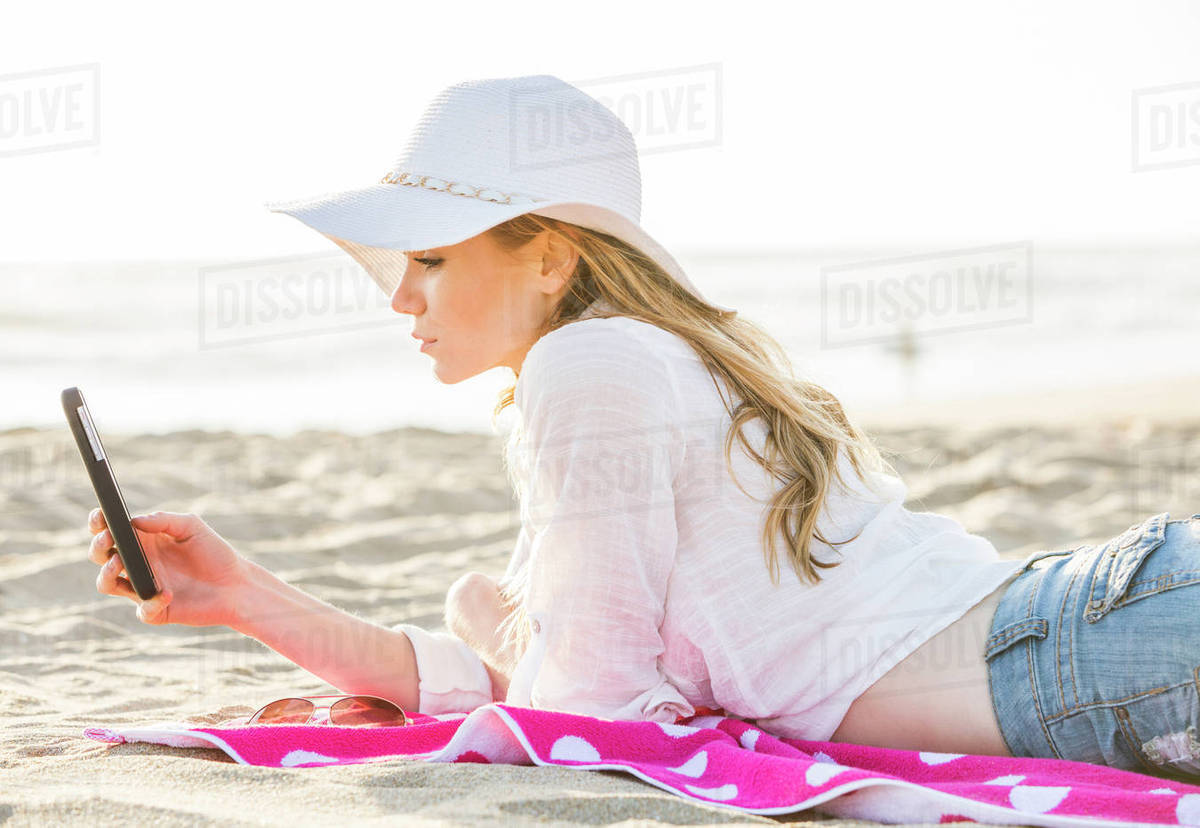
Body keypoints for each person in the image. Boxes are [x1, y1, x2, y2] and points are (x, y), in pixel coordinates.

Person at [85, 75, 1200, 781]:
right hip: (1100, 634)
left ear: (553, 256)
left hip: (1091, 651)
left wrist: (497, 641)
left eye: (433, 258)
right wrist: (249, 601)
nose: (400, 298)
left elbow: (586, 706)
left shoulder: (590, 362)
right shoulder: (626, 360)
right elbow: (553, 681)